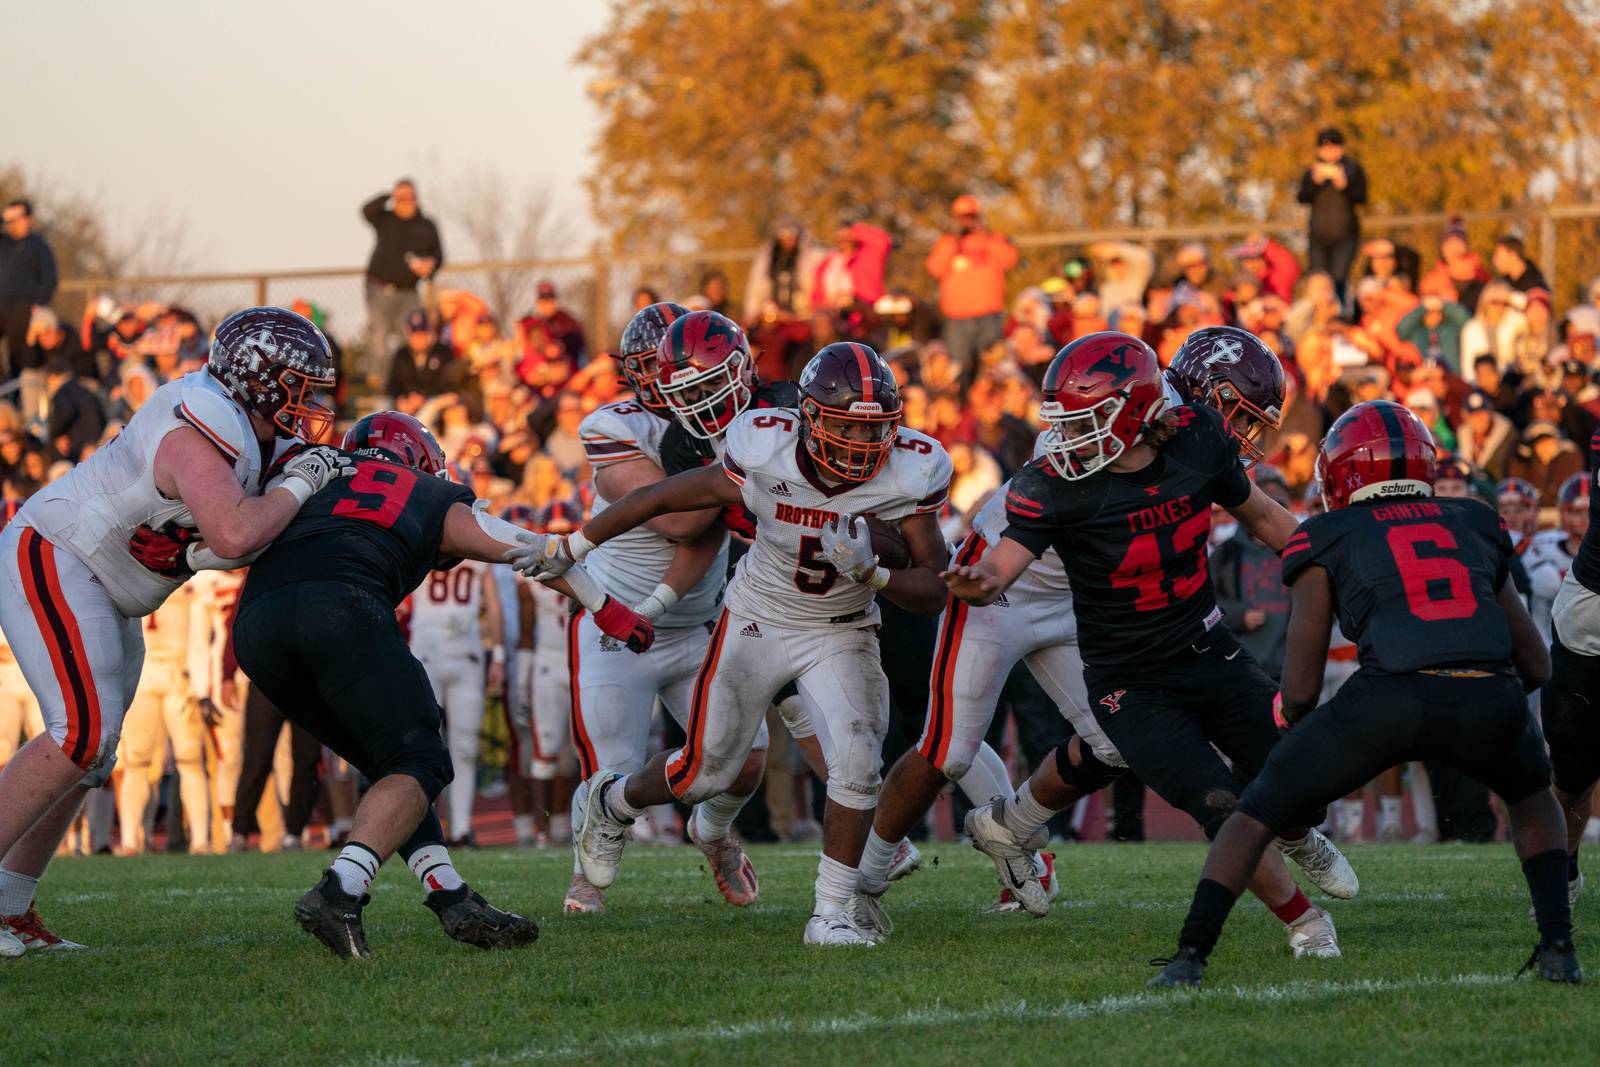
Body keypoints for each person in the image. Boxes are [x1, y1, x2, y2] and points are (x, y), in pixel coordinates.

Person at [520, 342, 954, 946]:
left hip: (841, 625)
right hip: (758, 618)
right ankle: (615, 801)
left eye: (873, 428)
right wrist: (577, 544)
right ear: (807, 417)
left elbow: (934, 587)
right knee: (707, 771)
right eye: (845, 425)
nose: (859, 441)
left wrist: (875, 575)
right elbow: (667, 498)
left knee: (857, 760)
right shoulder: (763, 444)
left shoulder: (913, 468)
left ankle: (831, 913)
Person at [945, 332, 1356, 956]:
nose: (1071, 435)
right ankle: (1305, 921)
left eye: (1086, 419)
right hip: (1126, 677)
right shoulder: (1054, 481)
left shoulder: (1198, 437)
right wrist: (981, 582)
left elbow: (1269, 519)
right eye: (1068, 420)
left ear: (1136, 410)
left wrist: (1342, 564)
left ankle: (1299, 833)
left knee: (1297, 761)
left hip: (1202, 645)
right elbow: (1003, 566)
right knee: (1217, 800)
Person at [1151, 400, 1579, 987]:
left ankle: (1189, 959)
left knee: (1254, 815)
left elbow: (1301, 687)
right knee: (1533, 798)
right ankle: (1558, 948)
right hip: (1490, 693)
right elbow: (1534, 661)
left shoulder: (1325, 534)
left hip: (1390, 696)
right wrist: (1496, 712)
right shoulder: (1474, 520)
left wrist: (1286, 717)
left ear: (1341, 472)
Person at [232, 411, 643, 957]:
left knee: (392, 763)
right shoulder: (426, 491)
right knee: (421, 761)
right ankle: (341, 888)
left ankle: (449, 894)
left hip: (256, 625)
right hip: (340, 606)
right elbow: (532, 548)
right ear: (420, 461)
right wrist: (606, 606)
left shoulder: (310, 472)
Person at [0, 307, 345, 955]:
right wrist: (300, 485)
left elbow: (232, 537)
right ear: (259, 380)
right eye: (300, 389)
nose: (312, 406)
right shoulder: (204, 420)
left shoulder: (253, 432)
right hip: (58, 552)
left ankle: (9, 909)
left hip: (108, 587)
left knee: (92, 754)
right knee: (78, 733)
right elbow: (238, 531)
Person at [560, 304, 755, 914]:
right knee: (609, 769)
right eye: (651, 368)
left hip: (696, 625)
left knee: (745, 763)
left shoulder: (734, 418)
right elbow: (679, 522)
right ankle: (585, 878)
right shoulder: (612, 425)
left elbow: (720, 527)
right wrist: (734, 480)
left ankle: (715, 830)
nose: (667, 382)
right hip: (616, 625)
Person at [406, 486, 506, 848]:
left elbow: (492, 607)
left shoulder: (427, 540)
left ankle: (460, 827)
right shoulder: (419, 539)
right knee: (429, 744)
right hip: (433, 653)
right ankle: (429, 827)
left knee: (462, 744)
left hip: (459, 651)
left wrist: (497, 655)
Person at [114, 583, 211, 855]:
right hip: (146, 671)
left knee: (190, 759)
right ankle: (131, 839)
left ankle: (201, 839)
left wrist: (199, 681)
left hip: (180, 671)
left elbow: (200, 628)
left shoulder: (192, 575)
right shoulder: (134, 566)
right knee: (137, 760)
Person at [926, 195, 1017, 375]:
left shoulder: (992, 238)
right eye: (962, 217)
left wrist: (987, 236)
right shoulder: (947, 242)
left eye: (971, 216)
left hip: (989, 313)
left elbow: (1010, 260)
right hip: (957, 316)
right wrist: (954, 241)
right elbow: (935, 269)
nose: (967, 222)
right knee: (959, 366)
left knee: (994, 366)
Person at [363, 180, 443, 383]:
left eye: (409, 198)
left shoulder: (426, 225)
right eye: (402, 198)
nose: (406, 203)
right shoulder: (386, 219)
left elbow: (438, 256)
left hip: (409, 290)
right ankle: (379, 381)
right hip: (379, 287)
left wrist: (429, 265)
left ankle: (406, 382)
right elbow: (366, 210)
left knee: (409, 337)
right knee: (379, 335)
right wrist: (390, 195)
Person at [1296, 128, 1367, 301]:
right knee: (1317, 279)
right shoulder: (1311, 172)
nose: (1329, 151)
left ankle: (1339, 316)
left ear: (1341, 148)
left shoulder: (1354, 170)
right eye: (1325, 147)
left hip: (1345, 236)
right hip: (1318, 237)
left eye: (1333, 146)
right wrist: (1314, 182)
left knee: (1339, 279)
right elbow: (1301, 197)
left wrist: (1345, 185)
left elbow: (1362, 197)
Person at [1526, 473, 1589, 646]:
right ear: (1562, 511)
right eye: (1576, 511)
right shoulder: (1542, 545)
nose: (1584, 518)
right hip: (1549, 642)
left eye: (1591, 511)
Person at [0, 200, 57, 387]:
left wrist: (38, 304)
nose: (12, 223)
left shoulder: (38, 246)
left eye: (17, 218)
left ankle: (16, 396)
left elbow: (50, 278)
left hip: (24, 310)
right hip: (2, 307)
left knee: (21, 357)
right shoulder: (3, 244)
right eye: (9, 219)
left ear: (29, 219)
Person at [532, 280, 587, 365]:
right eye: (544, 301)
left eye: (550, 301)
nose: (547, 305)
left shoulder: (568, 322)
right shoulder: (531, 323)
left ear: (555, 301)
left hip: (566, 366)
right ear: (538, 303)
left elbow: (578, 349)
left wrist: (561, 347)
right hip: (538, 367)